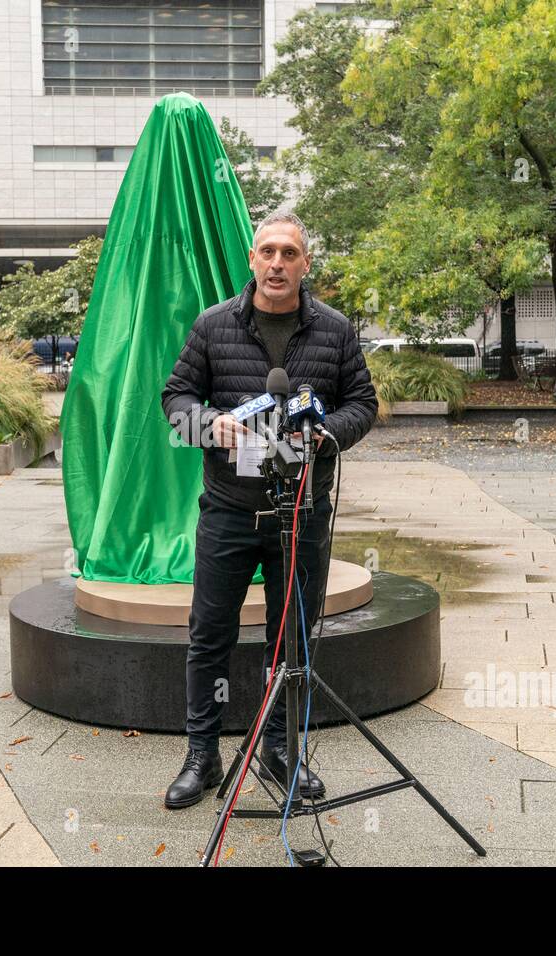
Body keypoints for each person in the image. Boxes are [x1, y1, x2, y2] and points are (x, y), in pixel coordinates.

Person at [159, 211, 378, 809]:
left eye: (289, 253)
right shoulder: (213, 326)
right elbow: (175, 398)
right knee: (209, 636)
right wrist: (209, 424)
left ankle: (279, 752)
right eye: (267, 252)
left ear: (306, 263)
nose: (277, 263)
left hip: (302, 513)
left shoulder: (333, 330)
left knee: (294, 642)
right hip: (229, 511)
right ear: (252, 261)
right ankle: (202, 756)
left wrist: (328, 434)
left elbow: (363, 402)